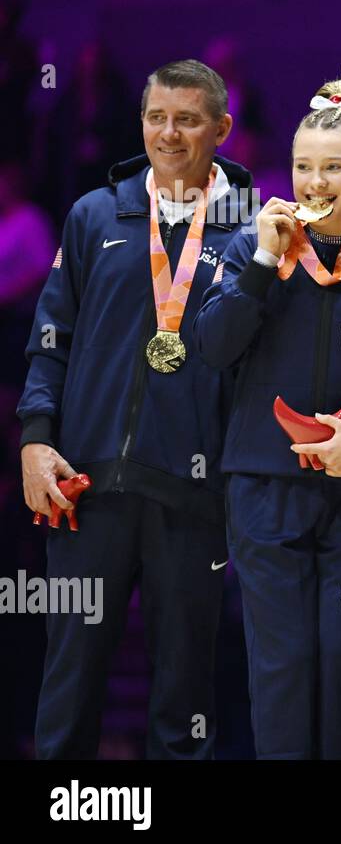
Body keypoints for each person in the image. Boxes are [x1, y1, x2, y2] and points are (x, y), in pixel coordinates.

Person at [17, 59, 250, 759]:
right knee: (67, 690)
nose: (169, 133)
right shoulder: (95, 214)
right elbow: (49, 338)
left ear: (221, 128)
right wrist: (34, 439)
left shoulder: (251, 232)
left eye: (187, 118)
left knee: (185, 703)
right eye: (156, 117)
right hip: (85, 484)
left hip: (193, 493)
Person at [195, 78, 341, 759]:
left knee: (340, 662)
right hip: (264, 487)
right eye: (302, 166)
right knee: (283, 667)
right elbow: (211, 347)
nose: (314, 181)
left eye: (333, 166)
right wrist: (262, 262)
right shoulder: (252, 249)